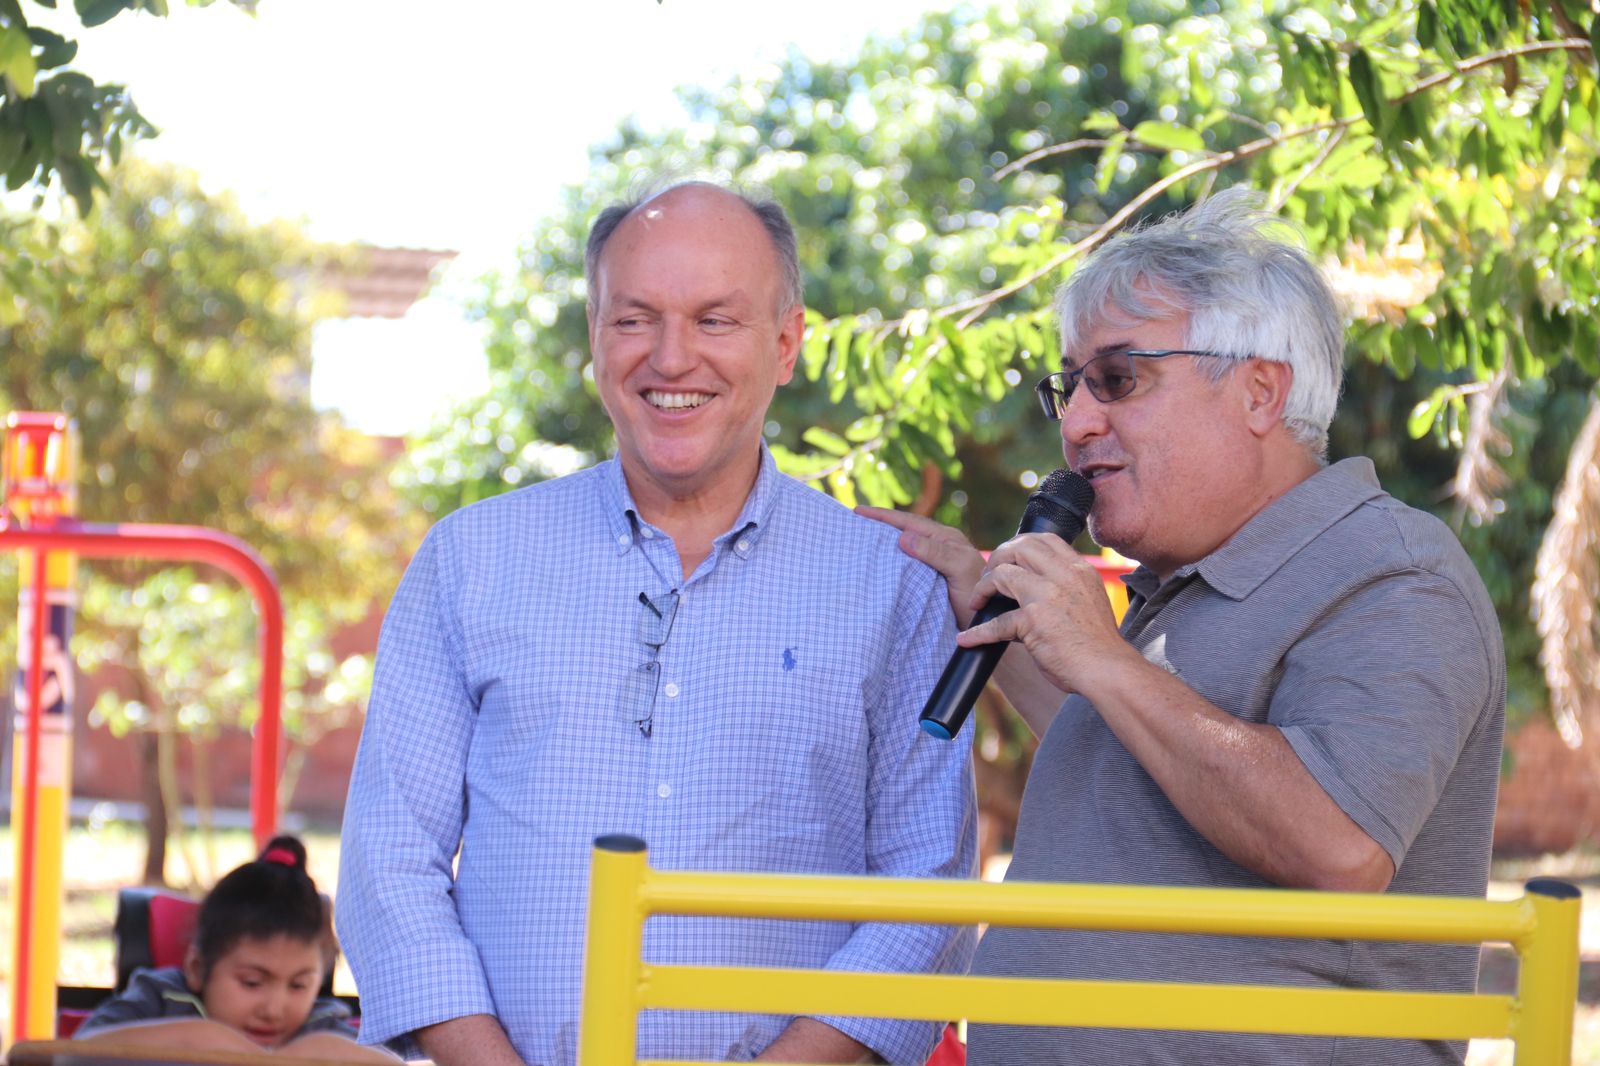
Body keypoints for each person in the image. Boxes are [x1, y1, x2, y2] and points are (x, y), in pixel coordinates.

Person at [337, 180, 976, 1066]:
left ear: (786, 344)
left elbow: (927, 890)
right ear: (595, 339)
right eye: (635, 319)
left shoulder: (888, 588)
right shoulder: (470, 561)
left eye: (716, 321)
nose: (672, 359)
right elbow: (388, 868)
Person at [864, 189, 1505, 1065]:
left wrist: (1102, 658)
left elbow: (1337, 842)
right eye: (1072, 387)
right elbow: (1153, 767)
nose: (1078, 423)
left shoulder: (1394, 571)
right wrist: (986, 613)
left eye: (1119, 380)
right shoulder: (1179, 582)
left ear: (1257, 391)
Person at [75, 835, 394, 1063]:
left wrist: (309, 1052)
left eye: (298, 985)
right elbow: (69, 1055)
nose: (273, 1009)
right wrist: (198, 1040)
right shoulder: (160, 999)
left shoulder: (318, 1023)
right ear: (199, 969)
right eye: (252, 983)